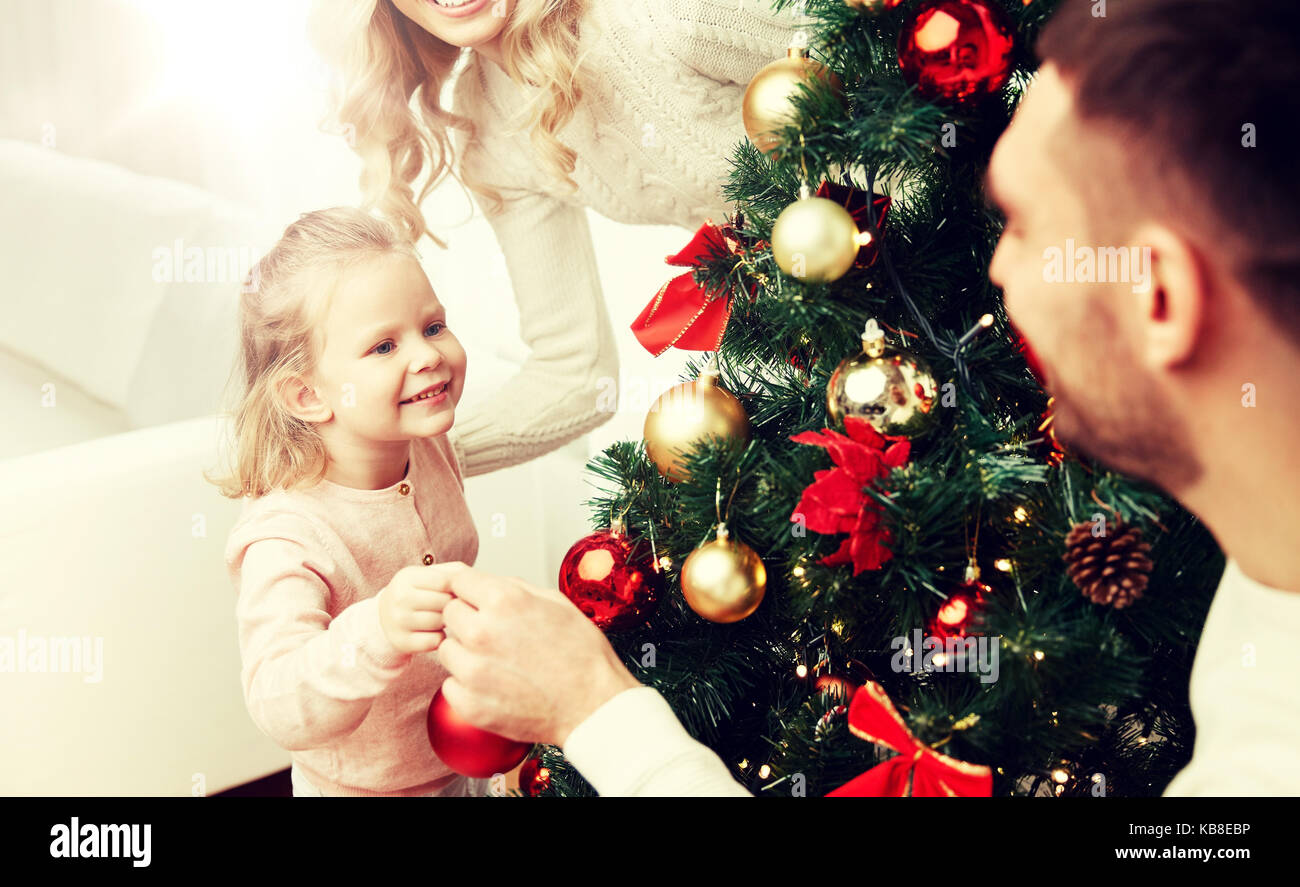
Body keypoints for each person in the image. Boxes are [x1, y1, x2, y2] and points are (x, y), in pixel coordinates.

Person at [432, 0, 1300, 796]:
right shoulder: (1264, 598)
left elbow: (866, 68)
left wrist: (596, 710)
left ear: (1158, 297)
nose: (995, 265)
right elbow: (570, 364)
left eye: (1026, 229)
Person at [309, 0, 802, 477]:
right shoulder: (485, 123)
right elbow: (576, 373)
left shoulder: (665, 12)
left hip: (869, 249)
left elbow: (867, 47)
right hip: (822, 321)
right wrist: (378, 458)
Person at [211, 207, 487, 796]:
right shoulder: (287, 537)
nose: (427, 355)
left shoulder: (429, 443)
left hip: (460, 768)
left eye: (433, 326)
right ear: (307, 394)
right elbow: (277, 700)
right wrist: (379, 629)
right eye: (384, 345)